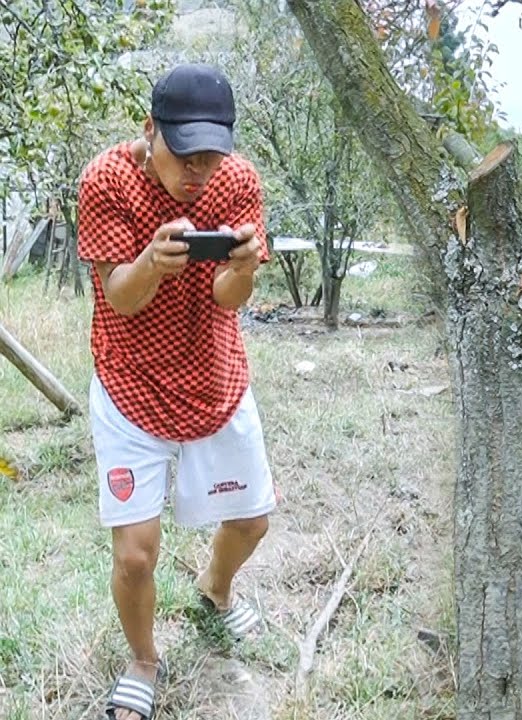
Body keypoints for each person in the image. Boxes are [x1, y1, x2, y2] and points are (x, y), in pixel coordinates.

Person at [77, 63, 276, 720]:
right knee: (135, 556)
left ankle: (215, 589)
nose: (198, 171)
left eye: (211, 154)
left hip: (213, 375)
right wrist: (151, 265)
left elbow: (228, 299)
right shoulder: (107, 180)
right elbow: (119, 298)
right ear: (148, 130)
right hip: (130, 382)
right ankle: (142, 660)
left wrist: (242, 269)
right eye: (184, 153)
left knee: (251, 522)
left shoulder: (239, 181)